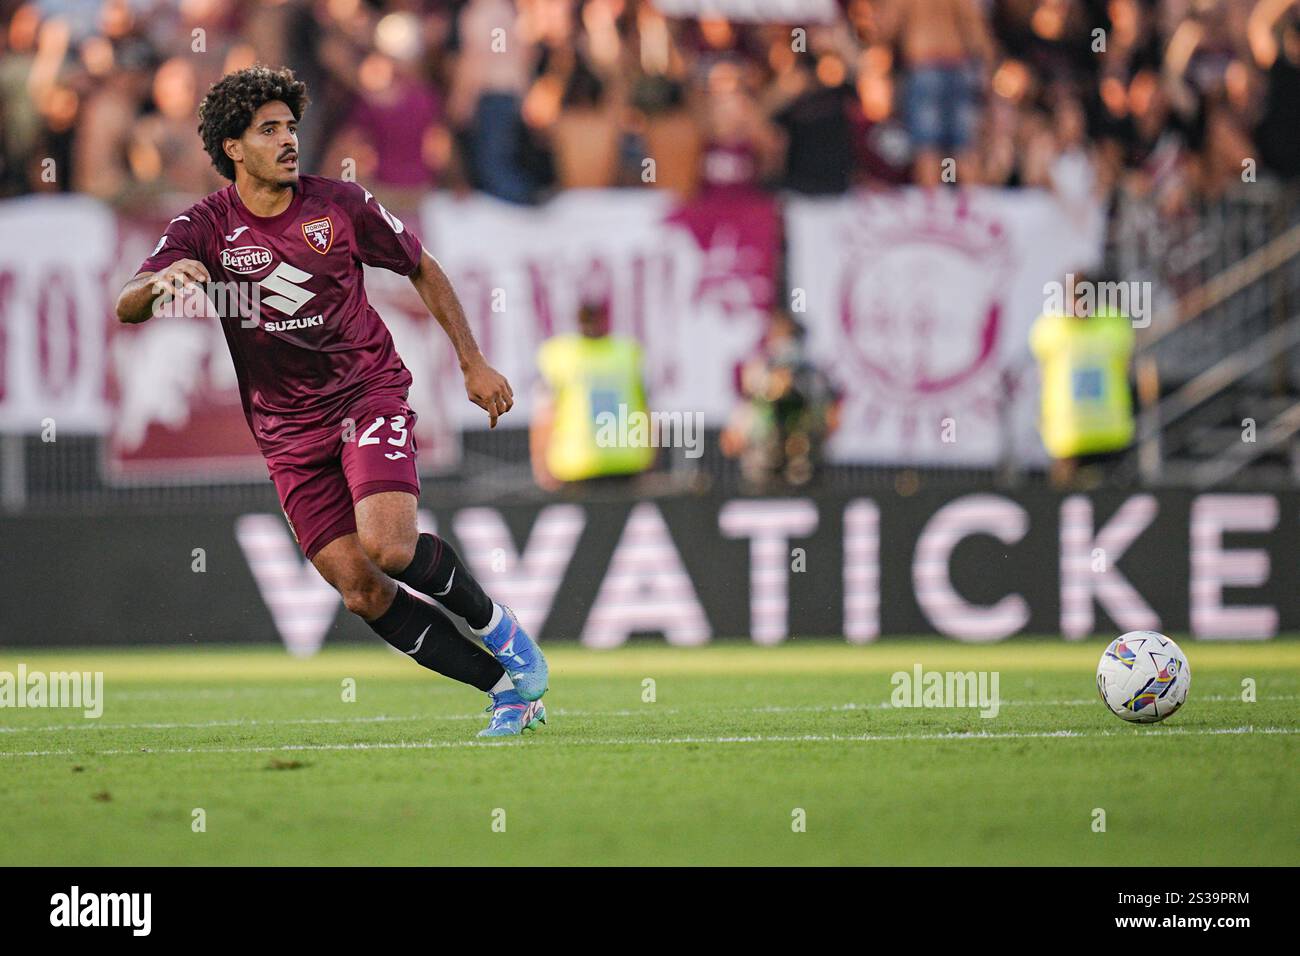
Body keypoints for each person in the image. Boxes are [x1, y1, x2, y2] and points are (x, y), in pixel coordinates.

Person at [113, 66, 548, 738]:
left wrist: (472, 360)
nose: (289, 139)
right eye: (269, 130)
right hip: (286, 434)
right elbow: (127, 305)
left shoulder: (339, 204)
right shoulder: (202, 227)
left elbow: (420, 266)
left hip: (364, 395)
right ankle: (506, 693)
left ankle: (501, 629)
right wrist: (162, 282)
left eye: (291, 126)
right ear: (233, 147)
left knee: (389, 547)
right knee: (360, 589)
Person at [530, 299, 654, 491]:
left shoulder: (561, 355)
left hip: (608, 465)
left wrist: (540, 463)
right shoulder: (626, 352)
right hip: (584, 467)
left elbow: (545, 414)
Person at [1029, 273, 1136, 488]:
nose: (1079, 302)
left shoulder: (1113, 324)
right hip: (1066, 439)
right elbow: (1041, 376)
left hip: (1110, 435)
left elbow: (1127, 367)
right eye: (1074, 296)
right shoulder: (1049, 329)